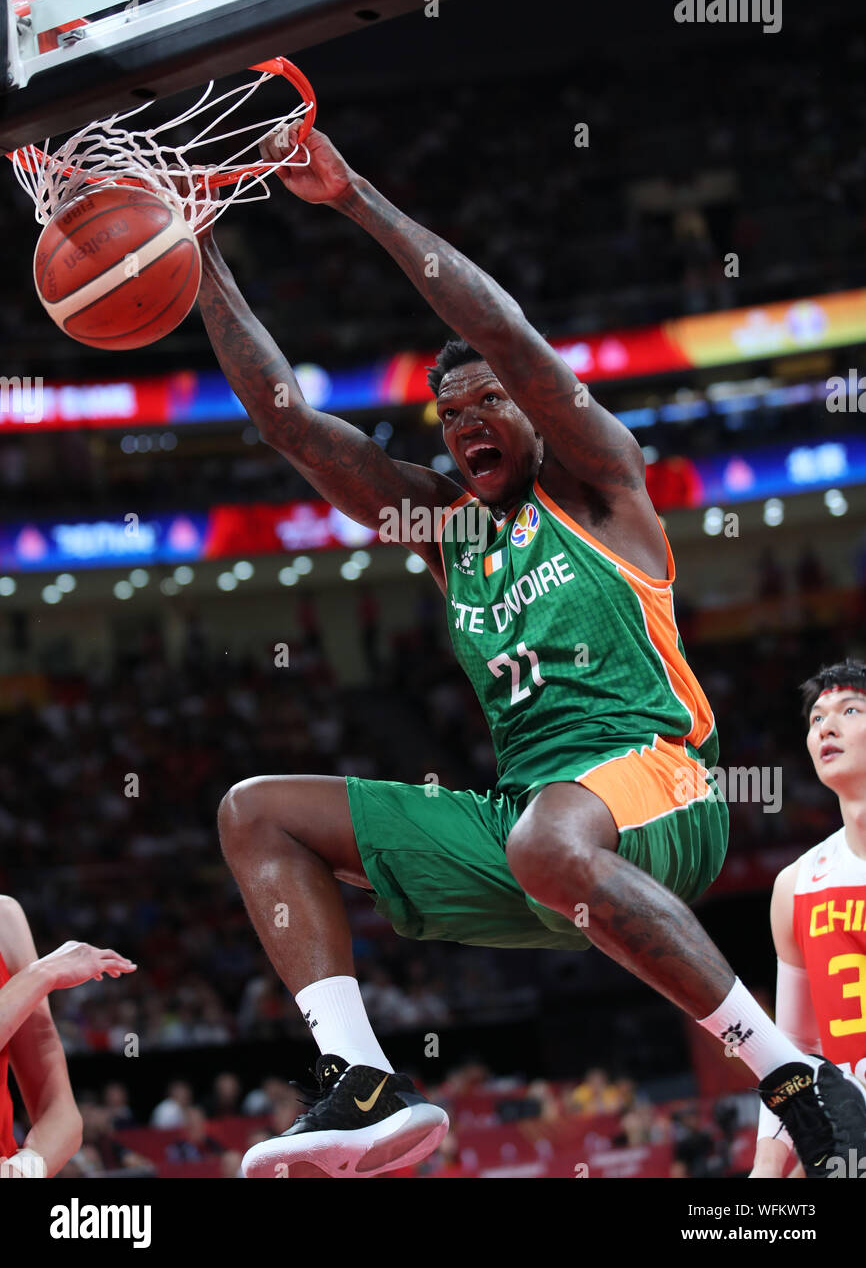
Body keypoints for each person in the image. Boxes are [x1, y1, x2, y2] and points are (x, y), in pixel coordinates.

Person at [196, 121, 866, 1180]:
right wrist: (193, 253)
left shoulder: (597, 482)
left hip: (661, 788)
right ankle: (361, 1075)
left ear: (533, 412)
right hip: (539, 834)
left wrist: (355, 198)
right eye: (446, 411)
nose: (466, 419)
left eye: (485, 401)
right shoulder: (446, 533)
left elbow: (503, 331)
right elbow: (291, 423)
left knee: (544, 840)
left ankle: (793, 1079)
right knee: (253, 810)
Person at [752, 659, 866, 1178]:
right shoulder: (795, 885)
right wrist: (766, 1171)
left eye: (849, 710)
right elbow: (796, 1050)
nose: (827, 726)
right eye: (817, 718)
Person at [0, 897, 135, 1177]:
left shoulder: (4, 919)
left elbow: (64, 1117)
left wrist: (26, 1168)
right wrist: (42, 973)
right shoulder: (38, 974)